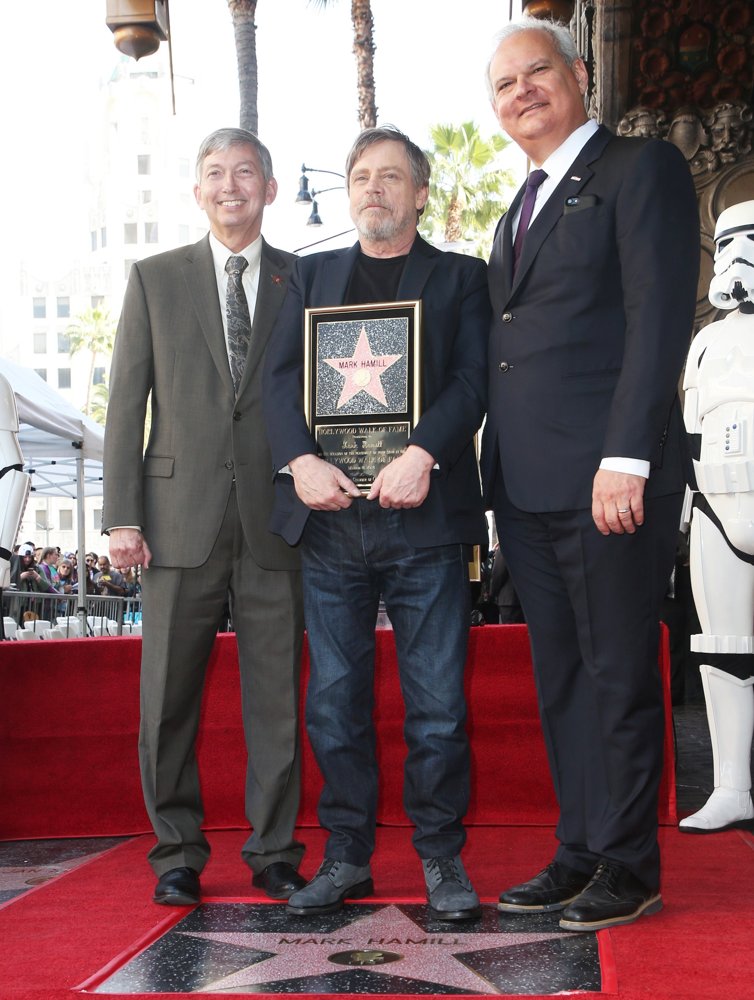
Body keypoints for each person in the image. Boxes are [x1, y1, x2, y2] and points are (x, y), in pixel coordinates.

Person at [481, 18, 699, 931]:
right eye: (503, 84)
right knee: (563, 679)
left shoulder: (637, 170)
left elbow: (656, 319)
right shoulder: (516, 208)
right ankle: (579, 848)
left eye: (537, 72)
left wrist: (628, 455)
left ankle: (628, 861)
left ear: (579, 74)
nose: (521, 91)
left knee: (617, 675)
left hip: (609, 477)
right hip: (525, 488)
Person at [263, 125, 489, 921]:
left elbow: (471, 381)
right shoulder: (308, 275)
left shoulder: (461, 278)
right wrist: (301, 462)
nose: (373, 189)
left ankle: (439, 858)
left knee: (437, 705)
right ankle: (348, 856)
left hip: (424, 522)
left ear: (420, 194)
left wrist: (424, 449)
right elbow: (277, 383)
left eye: (392, 177)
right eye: (362, 176)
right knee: (334, 702)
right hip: (330, 527)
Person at [103, 127, 306, 907]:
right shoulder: (154, 279)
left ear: (270, 186)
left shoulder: (303, 277)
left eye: (245, 172)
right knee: (166, 698)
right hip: (173, 518)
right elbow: (128, 403)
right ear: (197, 192)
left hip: (277, 519)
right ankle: (177, 853)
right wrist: (123, 514)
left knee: (277, 697)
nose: (231, 185)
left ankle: (276, 851)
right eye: (215, 173)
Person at [679, 200, 754, 834]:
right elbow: (689, 426)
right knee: (722, 647)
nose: (739, 256)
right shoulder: (706, 340)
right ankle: (732, 784)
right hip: (714, 504)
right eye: (728, 242)